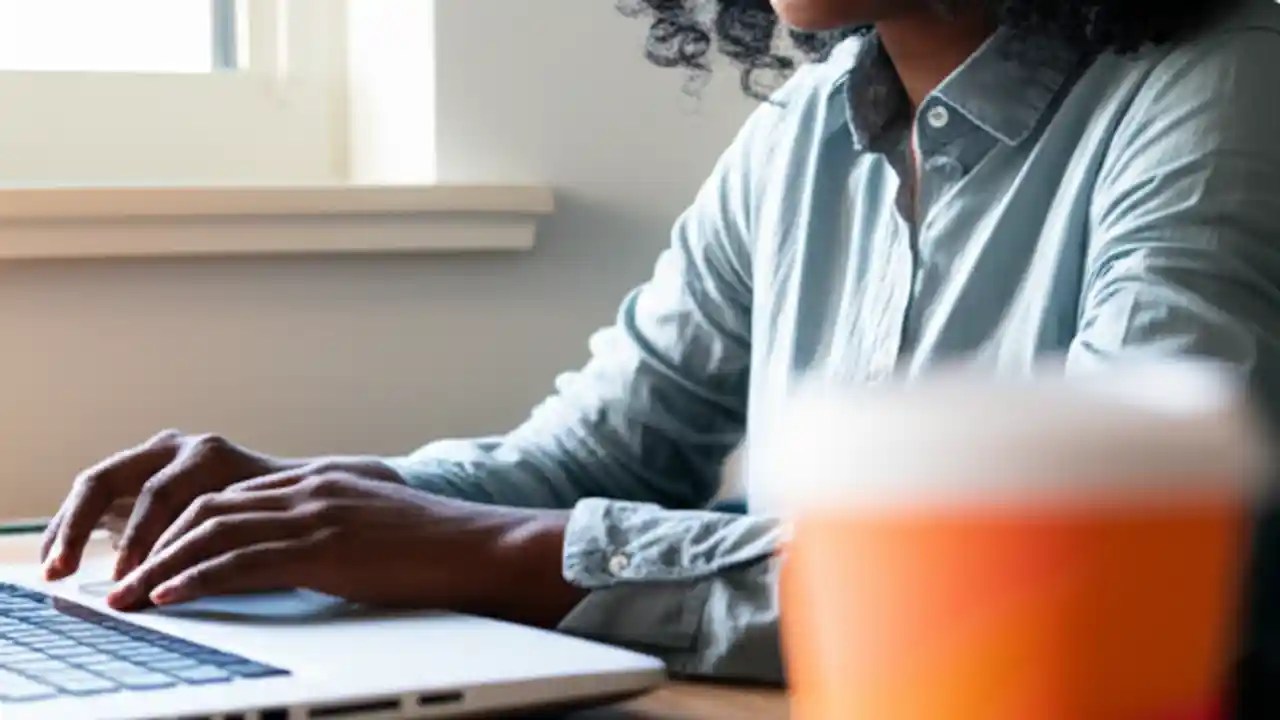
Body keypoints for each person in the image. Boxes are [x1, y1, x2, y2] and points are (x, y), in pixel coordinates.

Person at [38, 0, 1280, 690]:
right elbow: (599, 452)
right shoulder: (804, 128)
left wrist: (500, 550)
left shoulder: (1222, 94)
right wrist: (324, 502)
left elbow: (1057, 583)